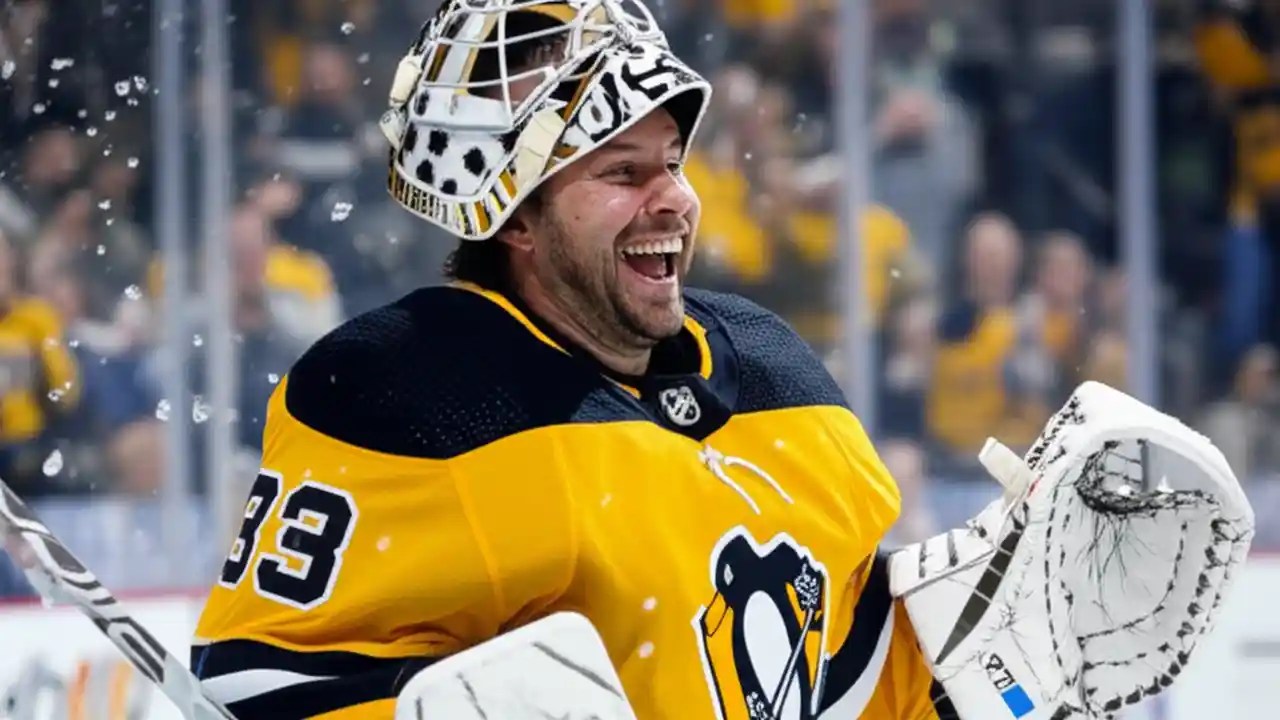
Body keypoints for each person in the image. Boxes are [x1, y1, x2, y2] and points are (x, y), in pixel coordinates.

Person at [189, 2, 1251, 719]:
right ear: (513, 216)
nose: (674, 199)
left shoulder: (772, 365)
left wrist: (992, 653)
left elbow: (849, 677)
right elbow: (265, 680)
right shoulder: (404, 389)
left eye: (673, 164)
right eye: (621, 171)